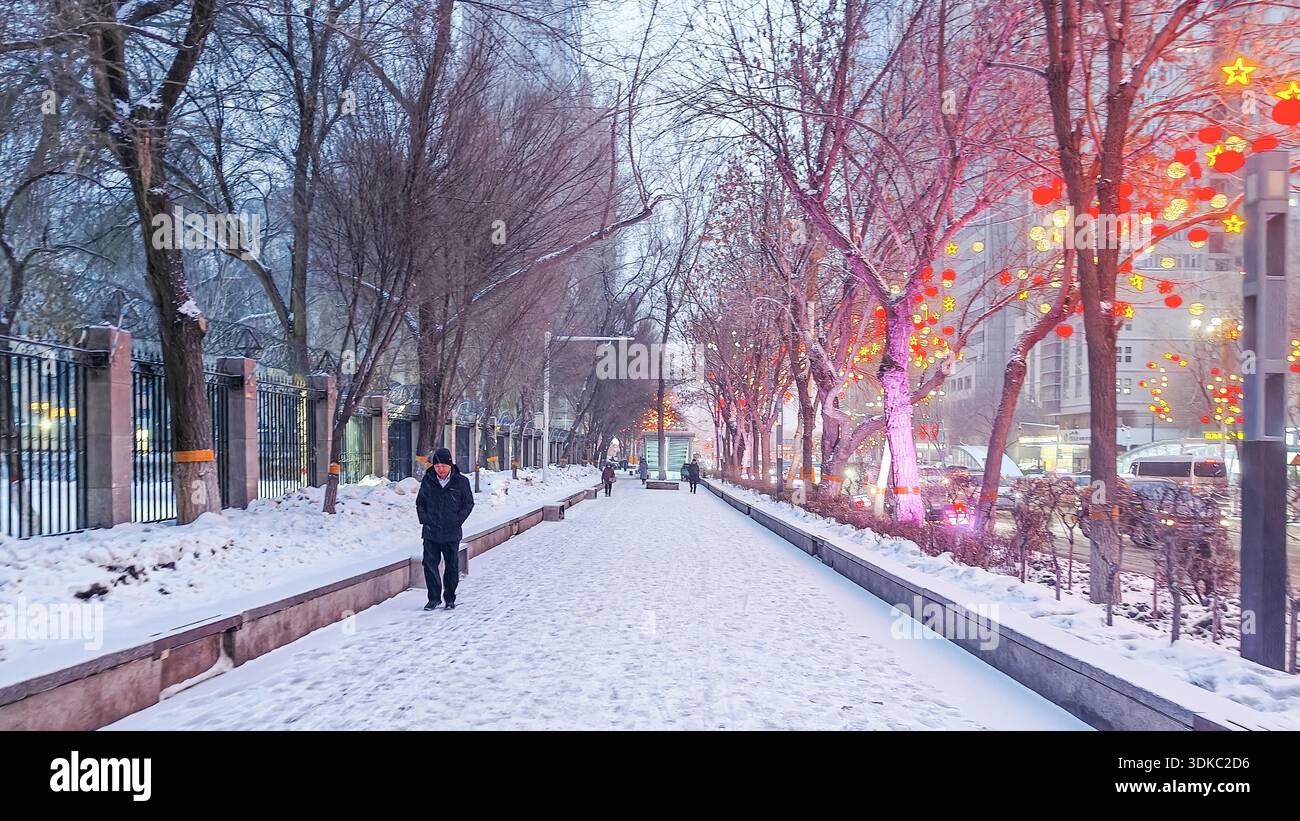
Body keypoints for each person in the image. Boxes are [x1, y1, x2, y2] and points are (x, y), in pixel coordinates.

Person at [416, 447, 474, 610]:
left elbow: (468, 504)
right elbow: (420, 503)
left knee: (451, 566)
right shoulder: (428, 481)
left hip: (451, 532)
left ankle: (450, 598)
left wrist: (457, 520)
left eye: (443, 466)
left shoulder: (461, 482)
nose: (440, 469)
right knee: (429, 564)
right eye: (437, 466)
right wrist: (425, 520)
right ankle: (433, 598)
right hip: (430, 532)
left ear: (450, 465)